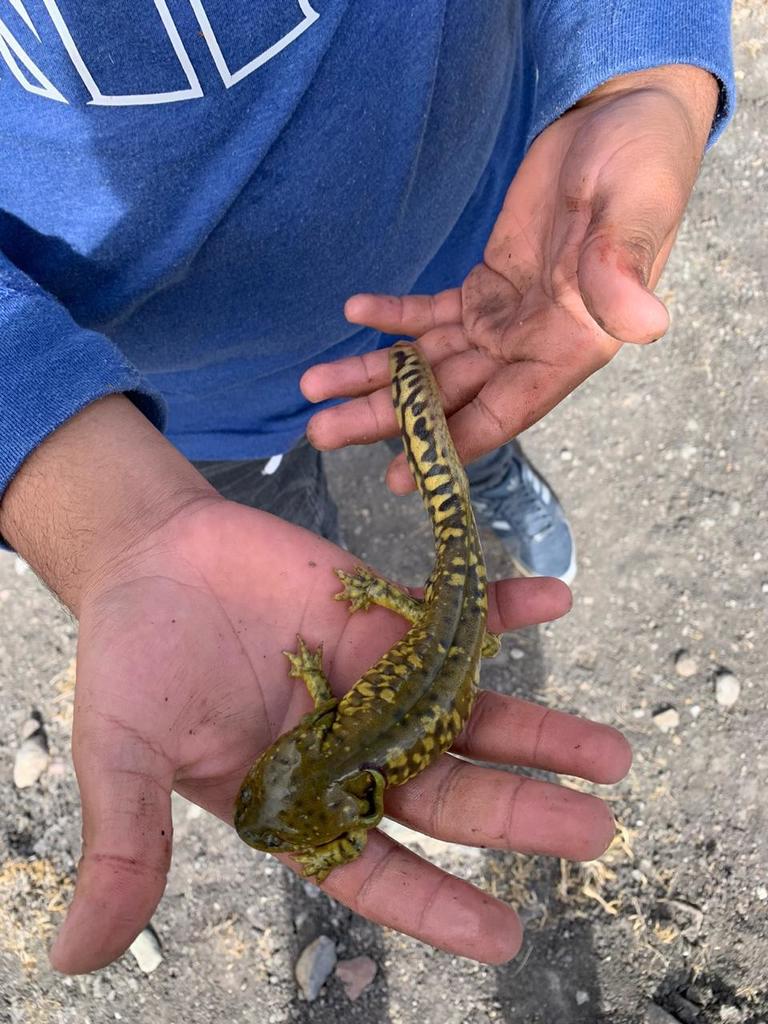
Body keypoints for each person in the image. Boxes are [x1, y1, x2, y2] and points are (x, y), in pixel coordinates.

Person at [0, 2, 732, 974]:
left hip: (472, 237)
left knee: (467, 392)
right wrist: (95, 497)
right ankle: (453, 458)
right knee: (321, 500)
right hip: (189, 392)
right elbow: (316, 695)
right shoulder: (331, 738)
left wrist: (641, 68)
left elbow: (321, 730)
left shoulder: (338, 752)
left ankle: (473, 449)